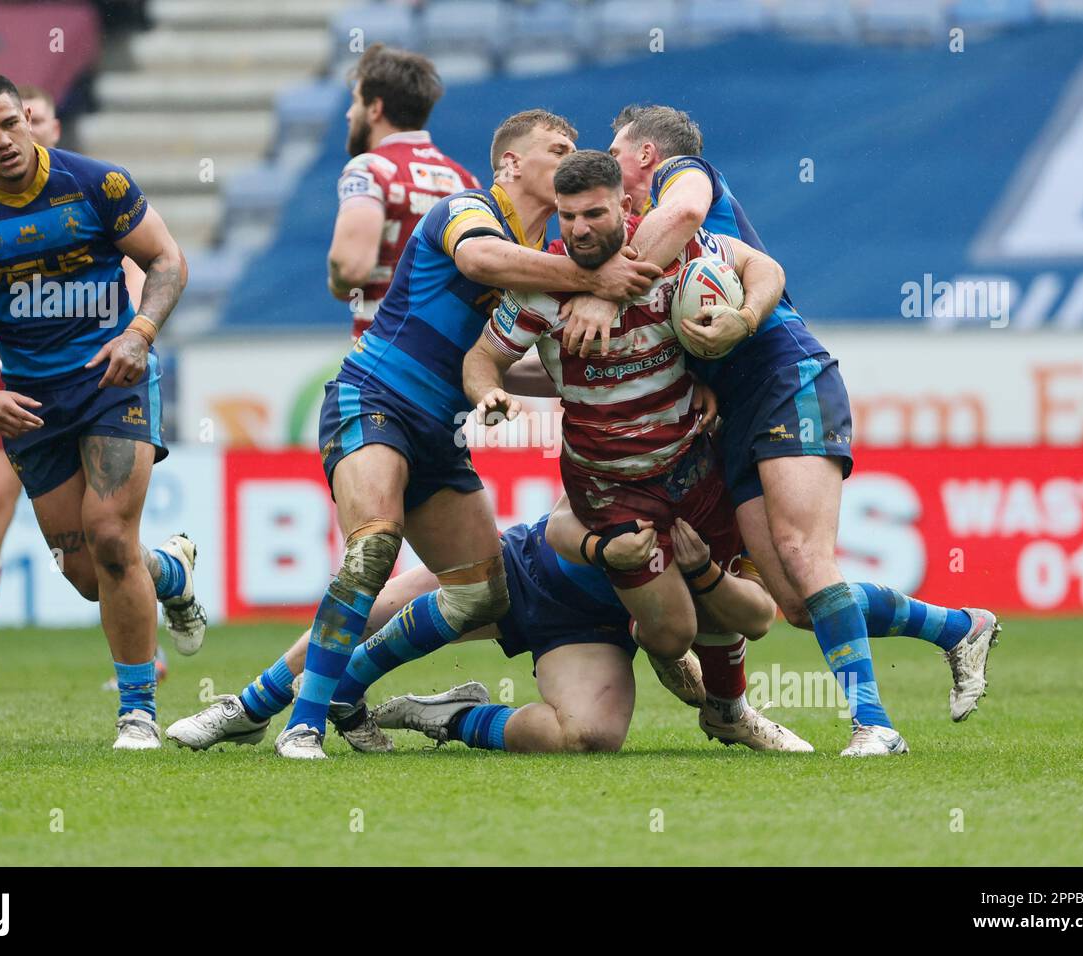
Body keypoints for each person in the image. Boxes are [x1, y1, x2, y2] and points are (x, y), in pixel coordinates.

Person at [563, 105, 1001, 755]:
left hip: (784, 374)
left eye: (616, 152)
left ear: (648, 154)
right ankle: (961, 626)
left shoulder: (682, 179)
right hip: (736, 410)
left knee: (803, 552)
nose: (610, 168)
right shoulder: (630, 244)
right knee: (797, 602)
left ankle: (874, 724)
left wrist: (613, 295)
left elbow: (697, 224)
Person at [268, 109, 662, 759]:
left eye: (575, 149)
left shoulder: (548, 258)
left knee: (480, 594)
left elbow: (514, 357)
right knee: (374, 554)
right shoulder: (467, 209)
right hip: (378, 395)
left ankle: (282, 703)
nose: (570, 156)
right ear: (510, 163)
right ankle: (298, 720)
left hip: (442, 434)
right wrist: (595, 283)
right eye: (556, 148)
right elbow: (478, 262)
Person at [463, 149, 803, 749]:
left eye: (593, 214)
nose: (578, 230)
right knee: (673, 636)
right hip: (610, 490)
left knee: (750, 615)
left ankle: (729, 711)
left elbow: (766, 268)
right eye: (567, 218)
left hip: (693, 466)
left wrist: (744, 320)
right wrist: (488, 392)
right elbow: (481, 357)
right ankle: (657, 635)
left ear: (625, 206)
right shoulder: (545, 285)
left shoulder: (679, 261)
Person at [0, 73, 205, 748]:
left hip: (111, 380)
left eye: (10, 123)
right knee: (84, 574)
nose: (4, 140)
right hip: (28, 403)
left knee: (107, 536)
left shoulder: (97, 185)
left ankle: (137, 712)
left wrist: (140, 334)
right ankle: (171, 572)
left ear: (27, 118)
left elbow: (166, 260)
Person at [166, 509, 808, 754]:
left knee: (589, 738)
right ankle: (250, 708)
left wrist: (692, 669)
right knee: (380, 605)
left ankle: (454, 716)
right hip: (531, 566)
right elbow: (565, 513)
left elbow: (740, 618)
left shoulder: (746, 508)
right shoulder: (641, 420)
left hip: (589, 629)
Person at [327, 43, 480, 340]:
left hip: (384, 359)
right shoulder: (466, 181)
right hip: (448, 358)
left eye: (355, 101)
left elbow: (351, 268)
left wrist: (337, 282)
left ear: (375, 108)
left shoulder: (370, 169)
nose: (349, 114)